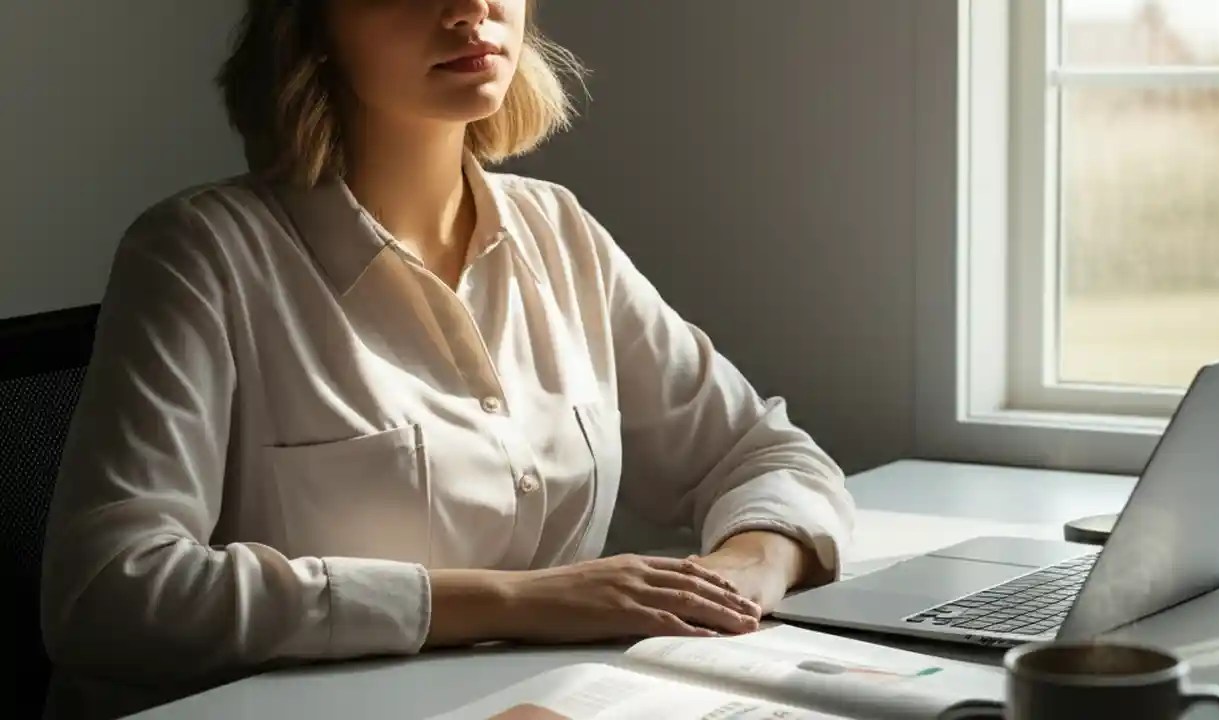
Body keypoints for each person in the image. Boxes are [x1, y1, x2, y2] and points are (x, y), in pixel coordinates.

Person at [41, 0, 857, 716]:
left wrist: (745, 571)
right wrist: (515, 602)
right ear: (312, 26)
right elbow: (109, 593)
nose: (471, 7)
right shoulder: (200, 254)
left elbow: (765, 454)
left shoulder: (558, 231)